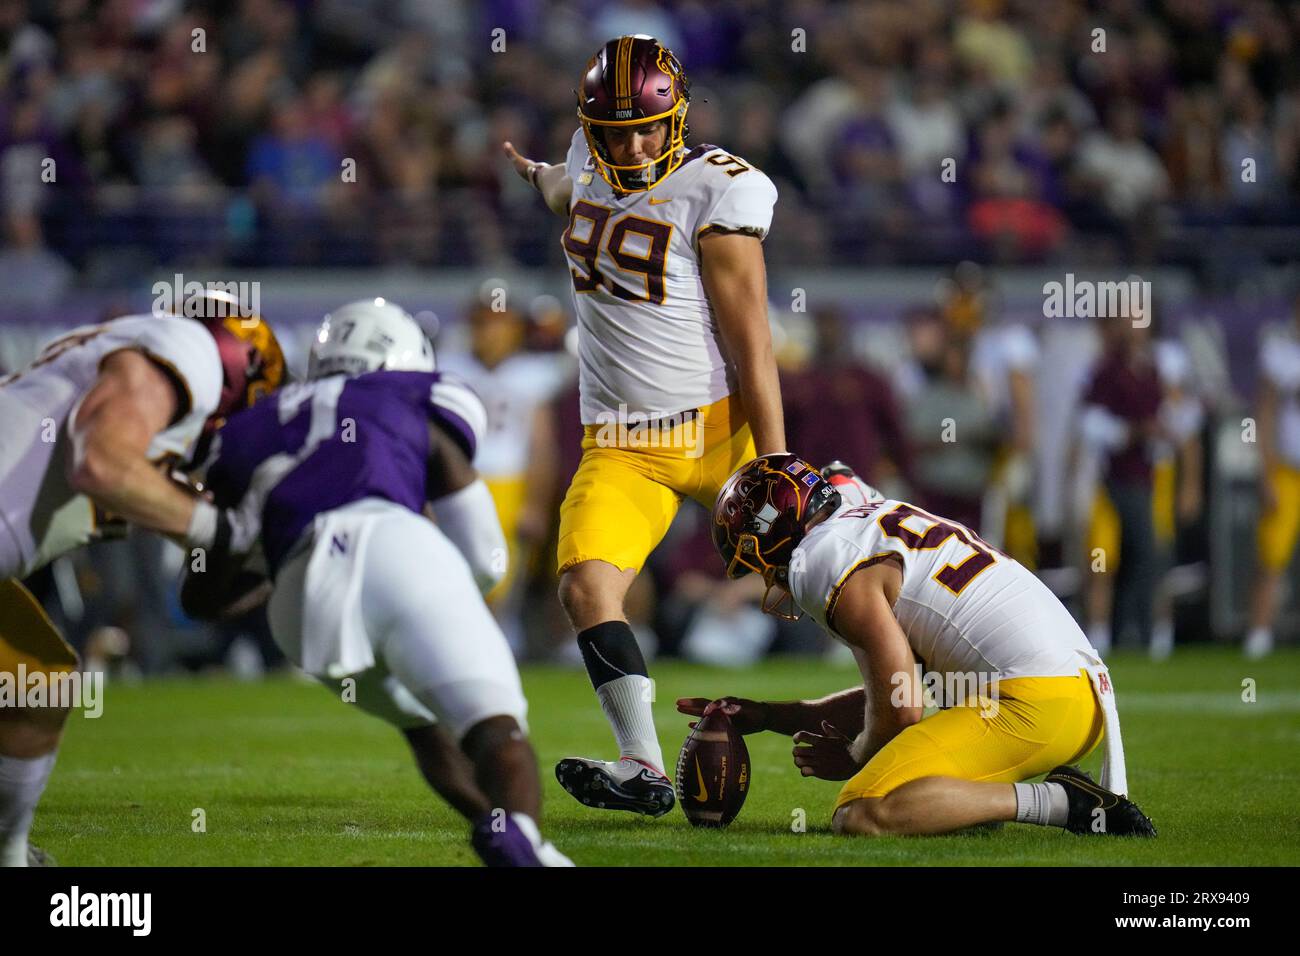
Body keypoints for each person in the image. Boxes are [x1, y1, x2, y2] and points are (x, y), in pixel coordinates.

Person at [501, 35, 785, 816]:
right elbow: (573, 189)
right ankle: (643, 766)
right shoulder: (586, 159)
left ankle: (949, 710)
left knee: (840, 582)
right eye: (613, 128)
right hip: (622, 444)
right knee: (586, 585)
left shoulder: (717, 190)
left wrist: (780, 463)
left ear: (679, 119)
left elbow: (753, 343)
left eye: (646, 128)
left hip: (721, 434)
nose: (630, 144)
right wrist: (537, 177)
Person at [182, 299, 570, 867]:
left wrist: (280, 571)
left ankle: (511, 839)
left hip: (299, 603)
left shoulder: (248, 429)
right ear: (403, 356)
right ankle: (521, 840)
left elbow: (202, 597)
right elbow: (487, 559)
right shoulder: (417, 394)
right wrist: (444, 598)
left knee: (421, 724)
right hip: (394, 546)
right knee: (495, 728)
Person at [679, 454, 1155, 838]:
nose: (766, 576)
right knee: (917, 796)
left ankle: (1063, 801)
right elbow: (895, 693)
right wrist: (768, 715)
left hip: (1034, 703)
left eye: (756, 559)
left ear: (776, 533)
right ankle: (976, 803)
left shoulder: (818, 558)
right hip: (1075, 696)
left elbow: (902, 708)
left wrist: (857, 756)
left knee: (864, 811)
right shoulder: (869, 521)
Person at [0, 296, 286, 865]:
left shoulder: (130, 377)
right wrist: (219, 532)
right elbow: (100, 462)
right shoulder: (193, 351)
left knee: (36, 687)